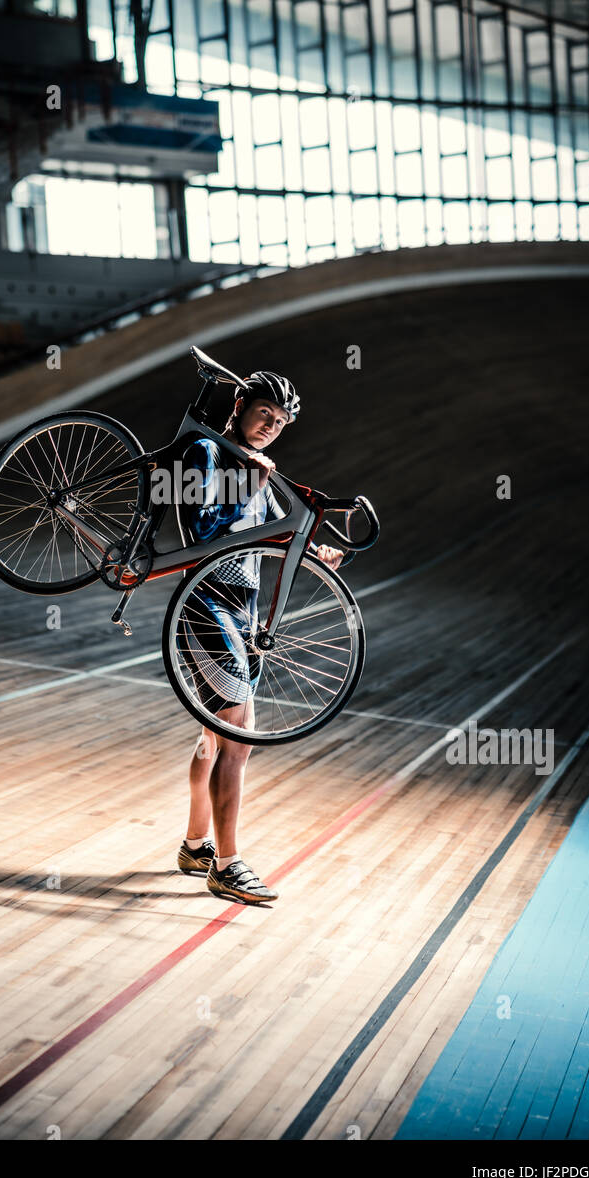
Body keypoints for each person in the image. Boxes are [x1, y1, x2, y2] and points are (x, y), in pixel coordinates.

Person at [174, 370, 344, 906]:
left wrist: (316, 554)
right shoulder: (205, 451)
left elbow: (279, 532)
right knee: (239, 738)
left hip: (243, 617)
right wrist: (249, 479)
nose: (271, 427)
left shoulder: (257, 467)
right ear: (241, 404)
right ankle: (227, 866)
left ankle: (196, 845)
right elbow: (201, 529)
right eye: (264, 414)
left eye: (280, 422)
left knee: (214, 738)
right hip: (205, 606)